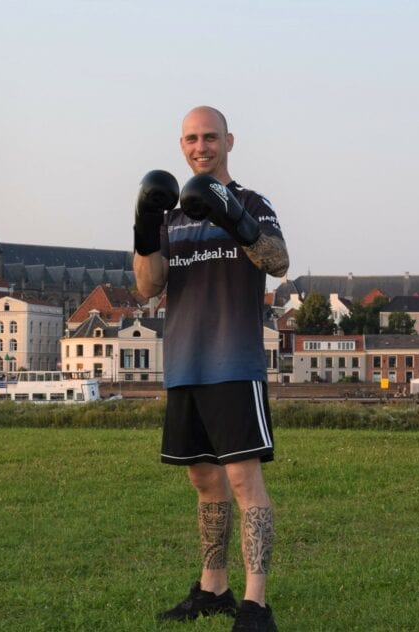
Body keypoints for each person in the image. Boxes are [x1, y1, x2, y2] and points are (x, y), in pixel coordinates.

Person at [133, 106, 289, 632]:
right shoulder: (173, 217)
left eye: (211, 137)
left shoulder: (251, 202)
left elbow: (277, 260)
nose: (202, 146)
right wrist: (143, 227)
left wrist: (234, 219)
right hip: (184, 361)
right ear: (182, 145)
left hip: (233, 359)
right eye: (193, 139)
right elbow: (147, 285)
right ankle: (213, 587)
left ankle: (256, 603)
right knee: (203, 479)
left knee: (244, 481)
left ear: (229, 141)